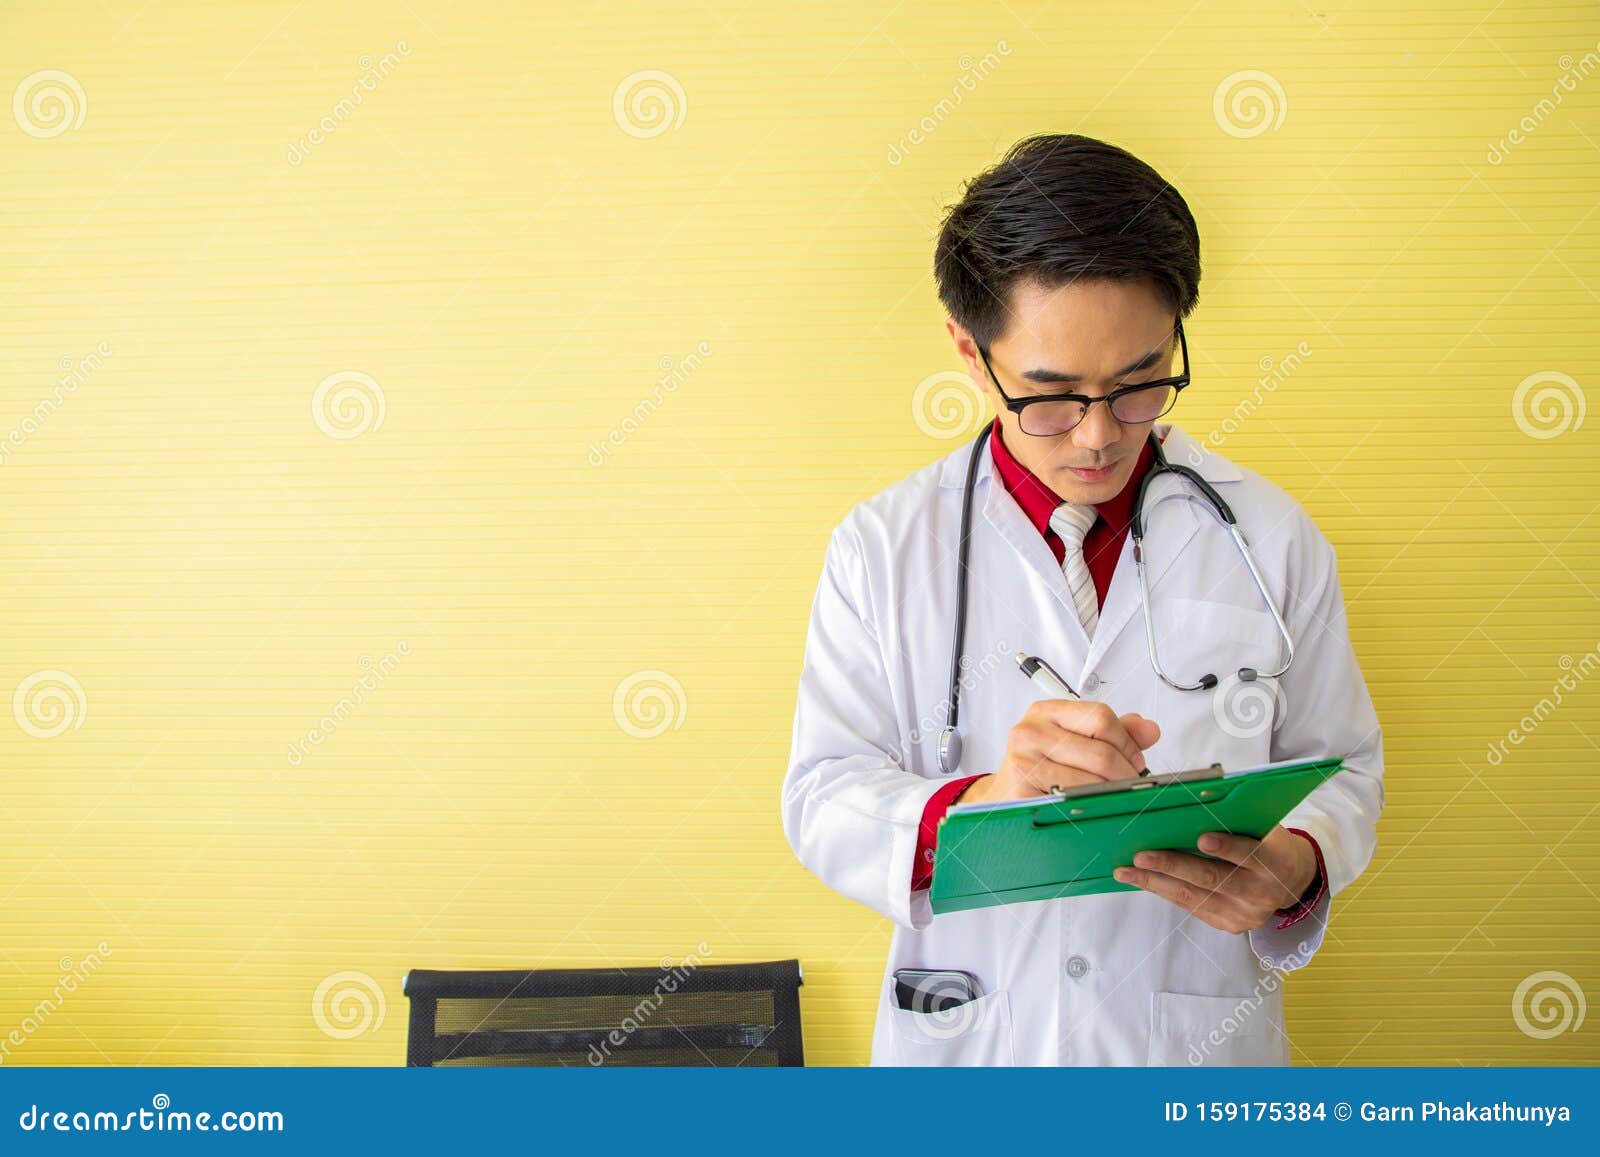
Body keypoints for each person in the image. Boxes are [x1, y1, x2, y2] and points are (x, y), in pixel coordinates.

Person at [780, 133, 1384, 1066]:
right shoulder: (884, 547)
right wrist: (984, 803)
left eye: (1140, 382)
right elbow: (821, 796)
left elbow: (1343, 764)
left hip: (1192, 1048)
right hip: (973, 1051)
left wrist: (1296, 866)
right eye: (1053, 396)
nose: (1100, 435)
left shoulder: (1270, 535)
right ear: (971, 353)